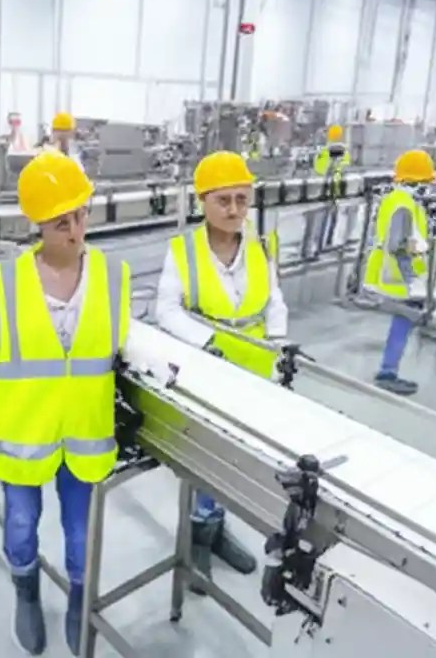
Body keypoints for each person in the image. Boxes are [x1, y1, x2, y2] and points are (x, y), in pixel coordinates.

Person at [0, 151, 130, 656]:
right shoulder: (6, 283)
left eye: (81, 215)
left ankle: (78, 600)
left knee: (80, 536)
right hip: (23, 438)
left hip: (85, 439)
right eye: (60, 223)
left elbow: (125, 348)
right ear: (37, 225)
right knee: (22, 528)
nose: (76, 231)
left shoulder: (114, 278)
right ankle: (26, 595)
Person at [156, 151, 288, 590]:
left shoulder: (260, 246)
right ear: (203, 202)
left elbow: (274, 301)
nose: (234, 210)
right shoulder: (183, 251)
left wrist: (279, 346)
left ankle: (216, 532)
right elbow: (166, 310)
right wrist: (206, 344)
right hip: (208, 372)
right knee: (205, 461)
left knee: (235, 460)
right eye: (223, 201)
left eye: (241, 200)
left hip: (254, 370)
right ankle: (197, 539)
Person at [363, 149, 436, 395]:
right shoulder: (404, 204)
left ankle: (389, 369)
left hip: (393, 272)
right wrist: (412, 279)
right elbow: (397, 245)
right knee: (403, 320)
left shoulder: (396, 199)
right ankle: (388, 371)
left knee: (402, 322)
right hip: (397, 276)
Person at [307, 124, 352, 257]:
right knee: (321, 221)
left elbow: (339, 170)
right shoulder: (326, 153)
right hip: (326, 191)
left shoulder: (330, 153)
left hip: (330, 190)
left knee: (328, 219)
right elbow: (322, 170)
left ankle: (324, 244)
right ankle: (318, 246)